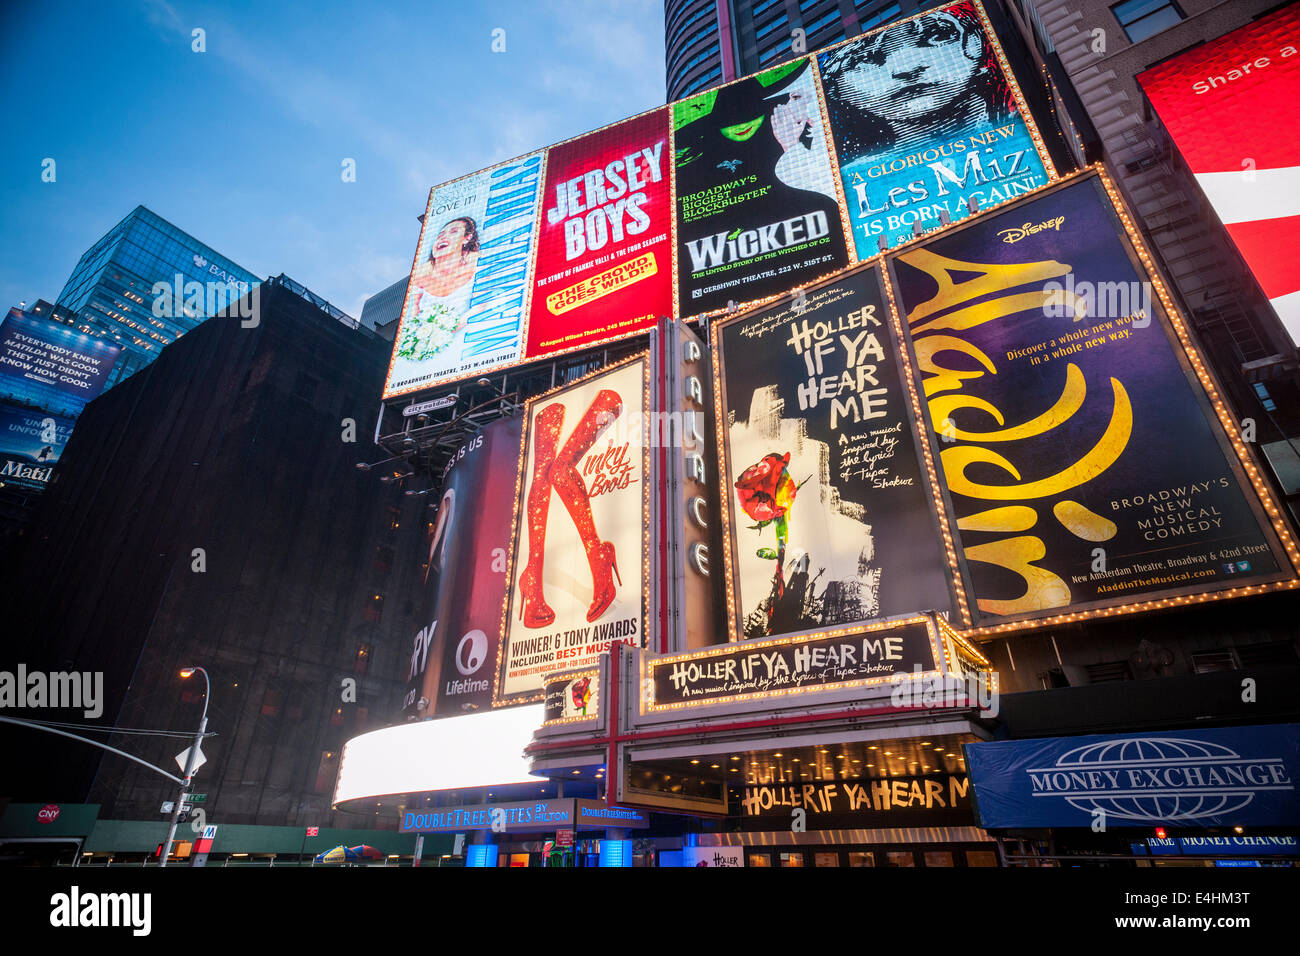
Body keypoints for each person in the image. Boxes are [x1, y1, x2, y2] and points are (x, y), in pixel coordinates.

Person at [818, 4, 1016, 158]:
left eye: (936, 37)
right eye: (865, 59)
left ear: (974, 43)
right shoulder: (853, 175)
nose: (906, 69)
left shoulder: (1019, 126)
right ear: (835, 88)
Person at [412, 216, 480, 298]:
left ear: (467, 238)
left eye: (454, 231)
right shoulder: (421, 275)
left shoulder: (476, 263)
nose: (443, 237)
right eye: (441, 234)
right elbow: (414, 308)